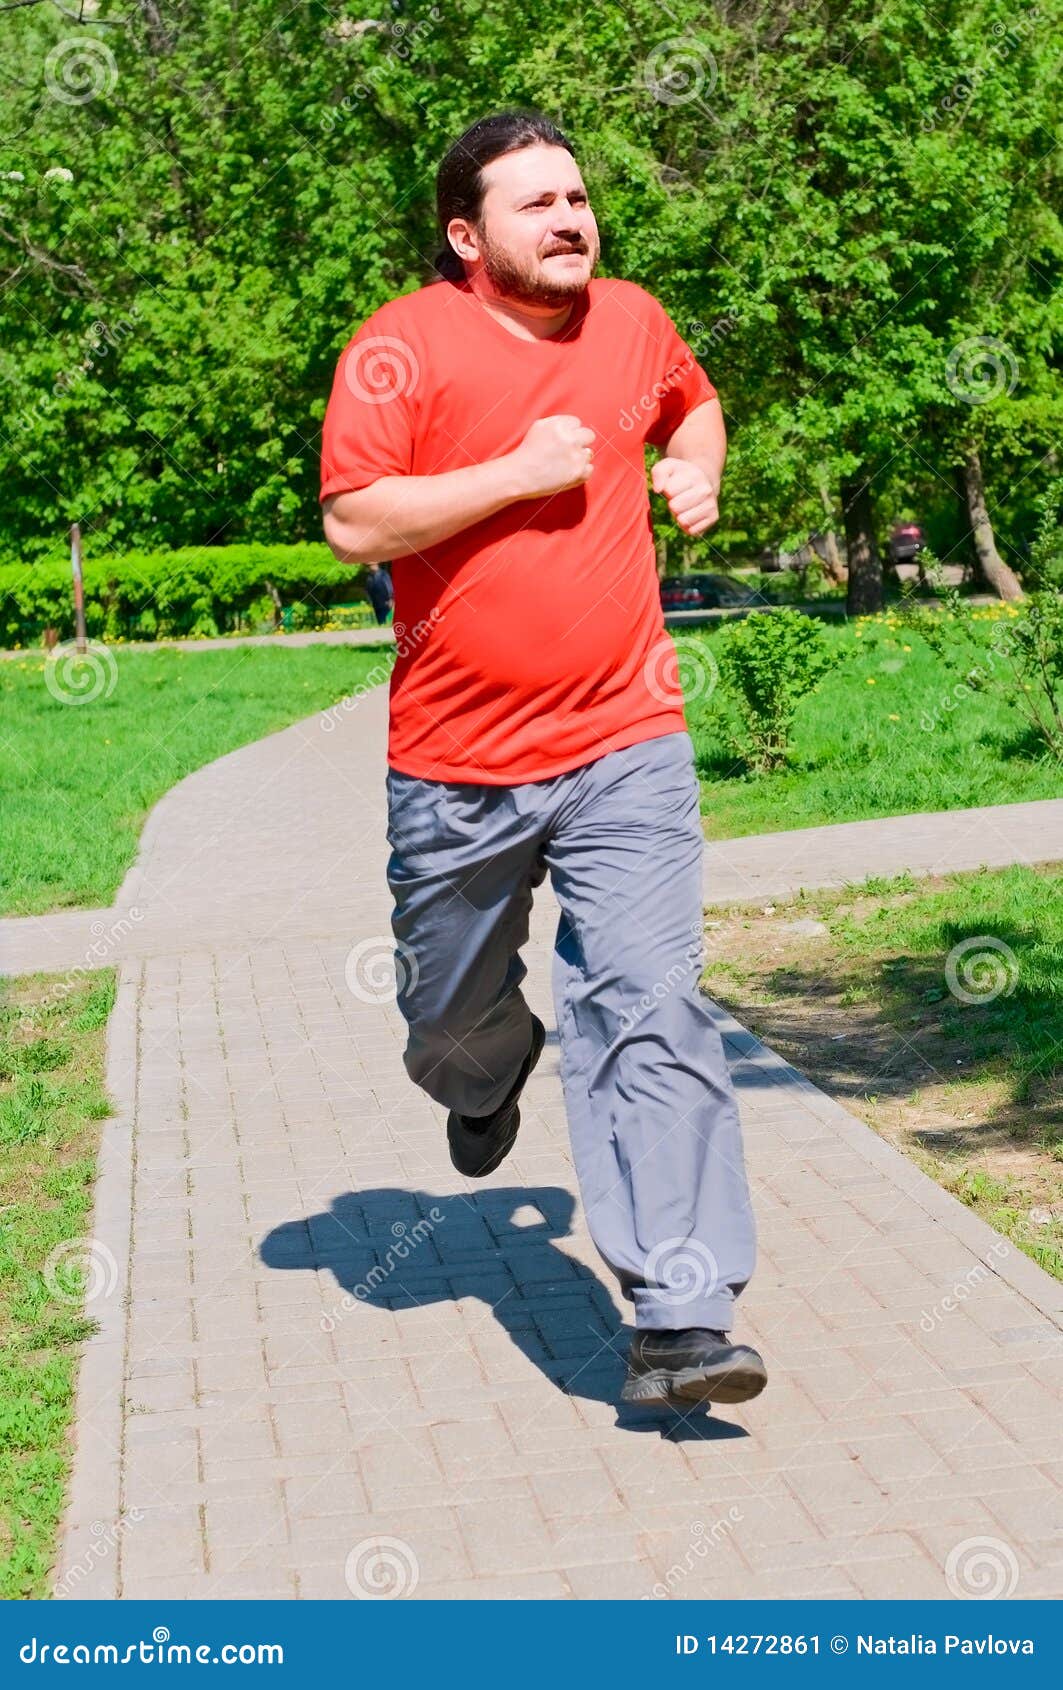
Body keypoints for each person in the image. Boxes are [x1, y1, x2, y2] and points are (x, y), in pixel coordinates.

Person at [320, 109, 766, 1411]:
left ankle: (683, 1313)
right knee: (449, 1017)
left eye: (578, 197)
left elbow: (695, 405)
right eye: (539, 204)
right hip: (455, 766)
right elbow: (356, 520)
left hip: (628, 738)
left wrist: (696, 466)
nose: (573, 219)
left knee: (649, 1003)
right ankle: (485, 1066)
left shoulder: (631, 318)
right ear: (469, 238)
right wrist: (516, 473)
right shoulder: (403, 346)